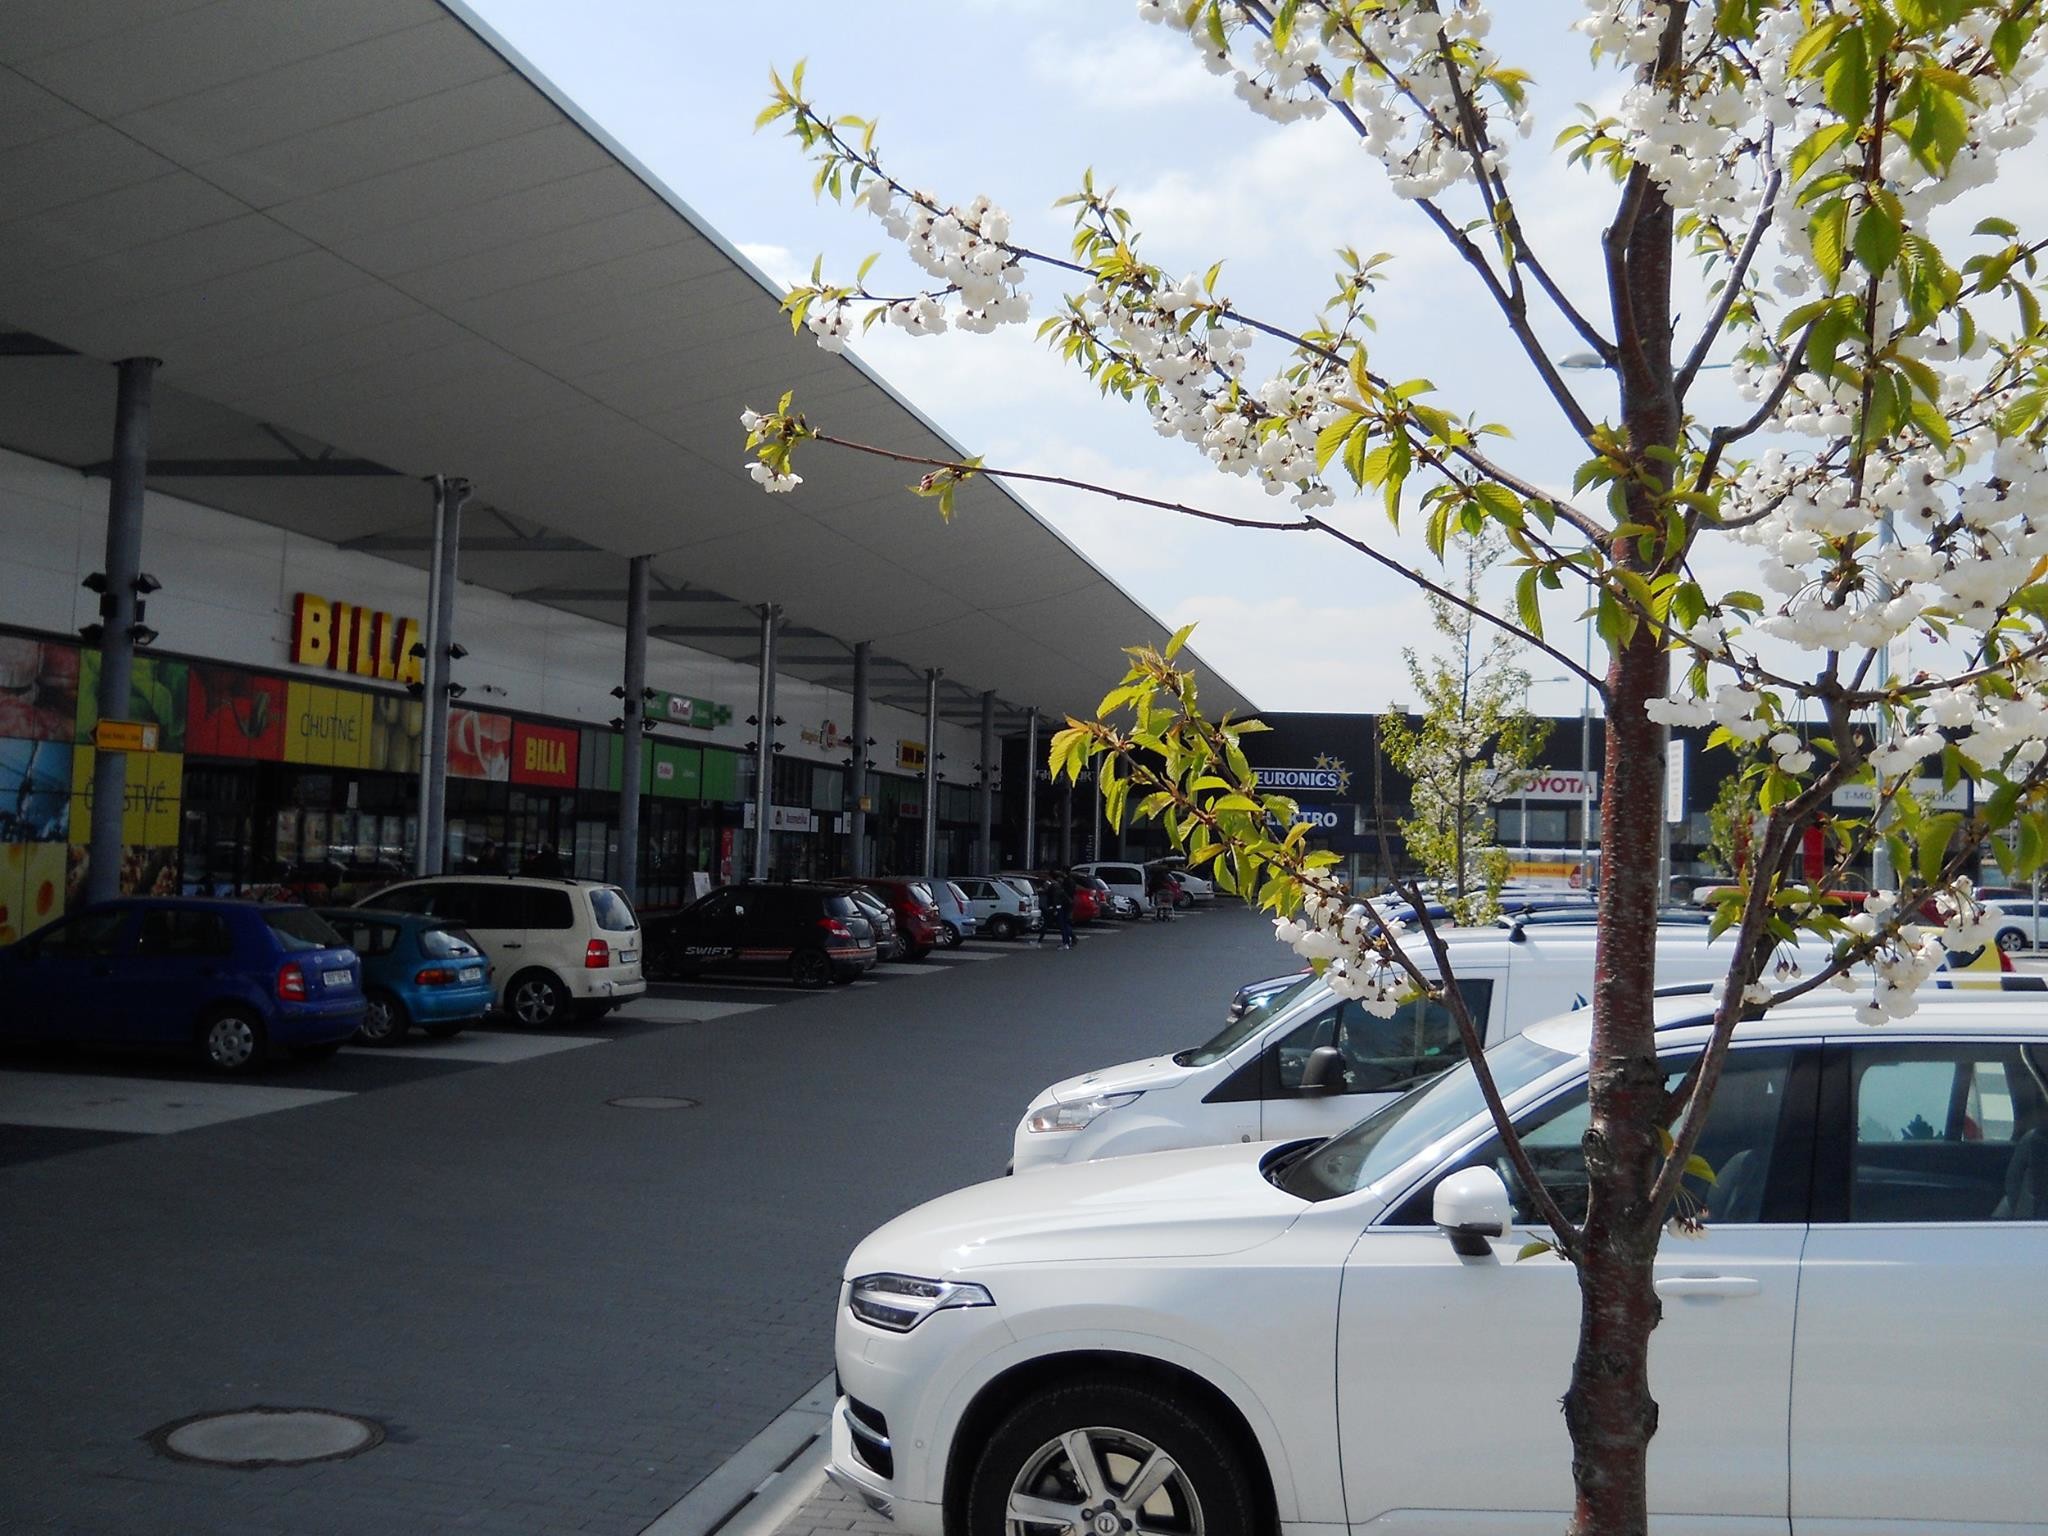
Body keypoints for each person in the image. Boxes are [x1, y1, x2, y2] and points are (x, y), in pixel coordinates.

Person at [1037, 872, 1076, 949]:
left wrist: (1054, 908)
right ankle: (1067, 942)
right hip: (1059, 907)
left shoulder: (1054, 886)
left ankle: (1040, 942)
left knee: (1051, 925)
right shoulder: (1058, 886)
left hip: (1055, 908)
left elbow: (1054, 898)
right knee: (1062, 926)